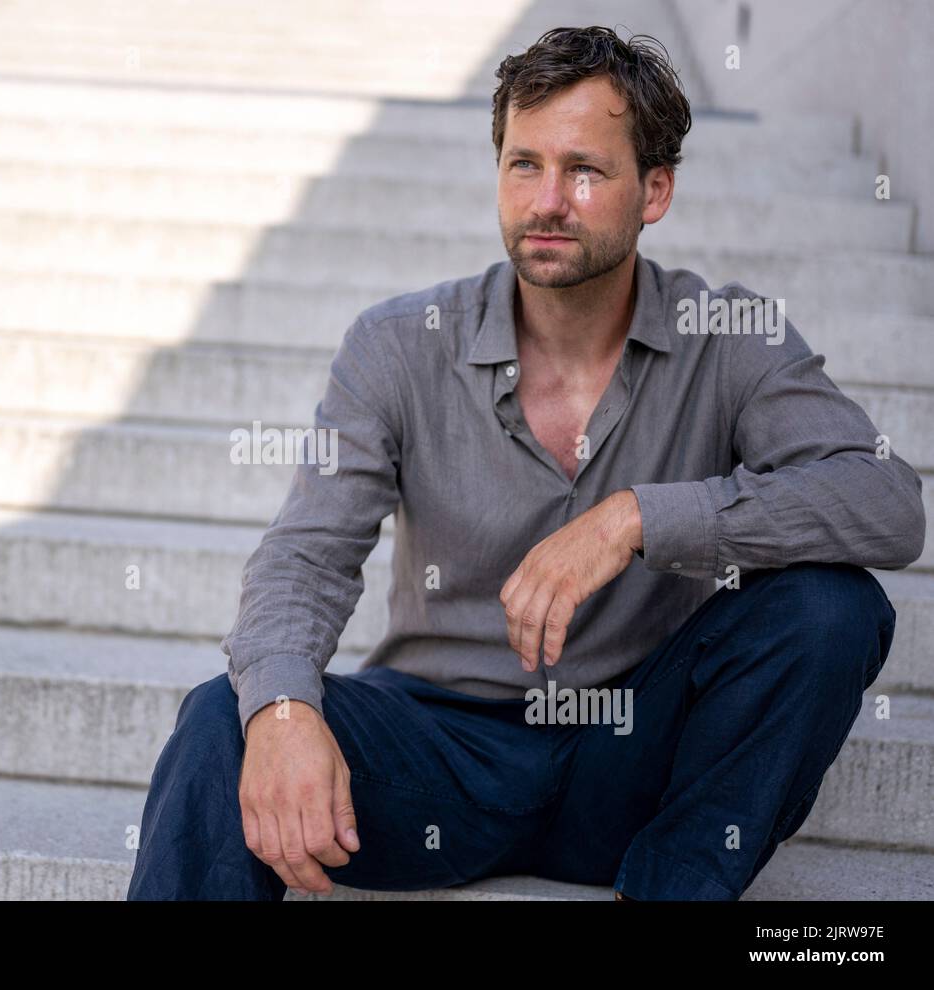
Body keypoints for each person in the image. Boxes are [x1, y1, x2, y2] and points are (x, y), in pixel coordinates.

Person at [126, 26, 923, 901]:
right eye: (523, 164)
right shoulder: (398, 345)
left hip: (634, 752)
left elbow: (883, 501)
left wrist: (637, 519)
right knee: (222, 717)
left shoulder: (728, 338)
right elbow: (304, 554)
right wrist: (283, 708)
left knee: (829, 609)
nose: (548, 200)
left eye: (585, 170)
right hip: (439, 750)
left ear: (654, 190)